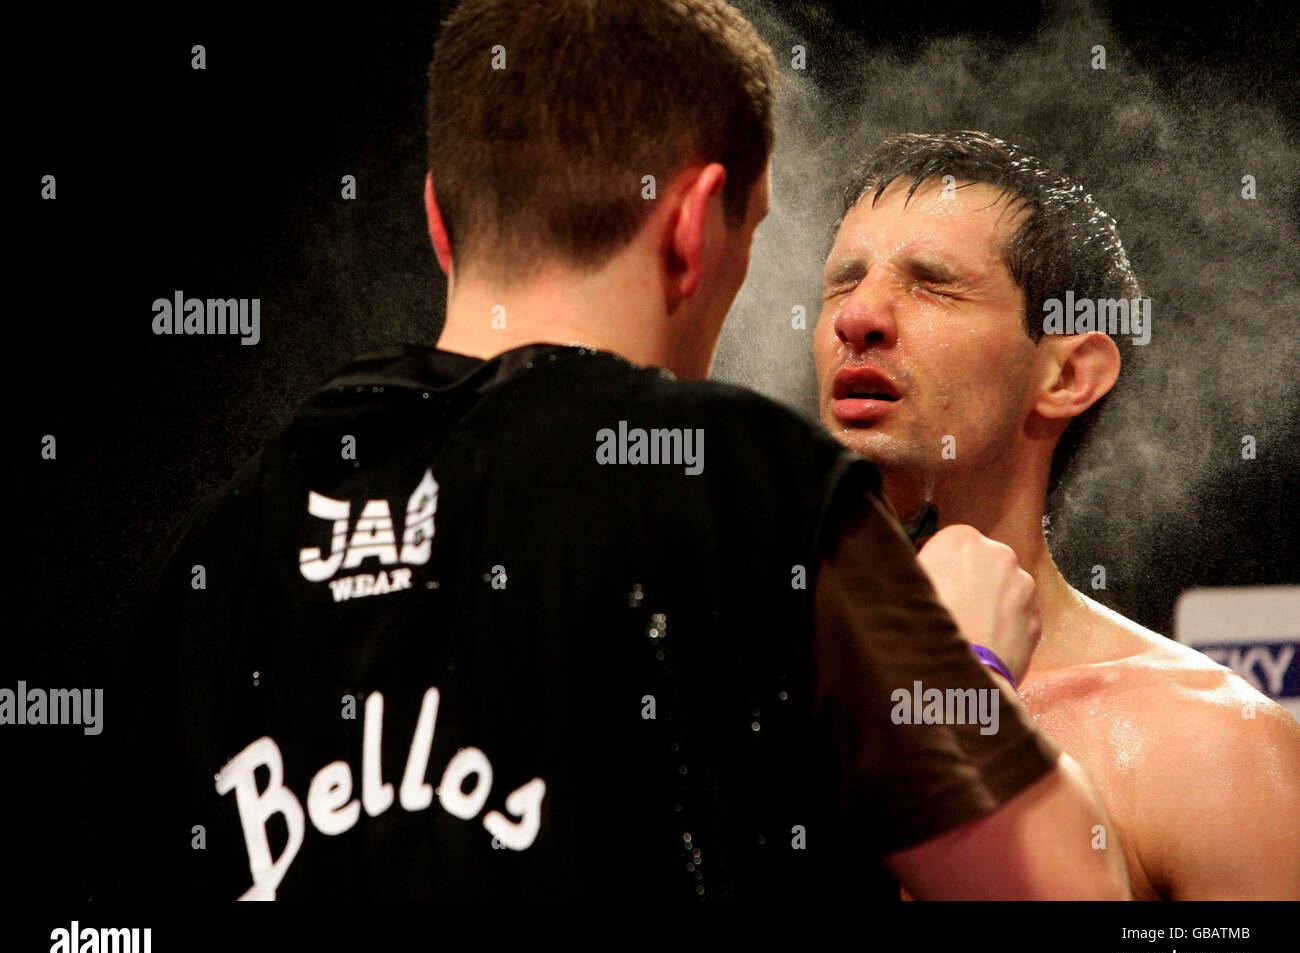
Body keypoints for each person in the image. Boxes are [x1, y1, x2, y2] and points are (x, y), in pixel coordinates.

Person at [103, 5, 1126, 902]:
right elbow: (1071, 894)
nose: (857, 319)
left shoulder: (212, 558)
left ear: (438, 221)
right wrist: (969, 667)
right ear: (692, 224)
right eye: (756, 231)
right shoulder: (738, 480)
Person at [814, 129, 1300, 899]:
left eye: (933, 283)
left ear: (1068, 373)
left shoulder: (1209, 750)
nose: (859, 316)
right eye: (842, 283)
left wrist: (966, 685)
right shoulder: (734, 688)